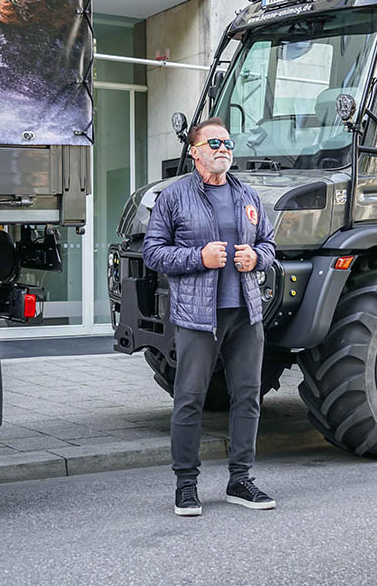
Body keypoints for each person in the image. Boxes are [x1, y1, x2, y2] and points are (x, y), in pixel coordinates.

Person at [142, 116, 278, 517]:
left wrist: (257, 257)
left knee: (248, 397)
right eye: (215, 143)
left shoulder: (248, 196)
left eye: (228, 143)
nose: (223, 150)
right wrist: (198, 258)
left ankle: (241, 480)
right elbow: (153, 252)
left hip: (245, 314)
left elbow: (269, 244)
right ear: (195, 152)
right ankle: (186, 485)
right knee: (189, 400)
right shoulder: (175, 196)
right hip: (199, 317)